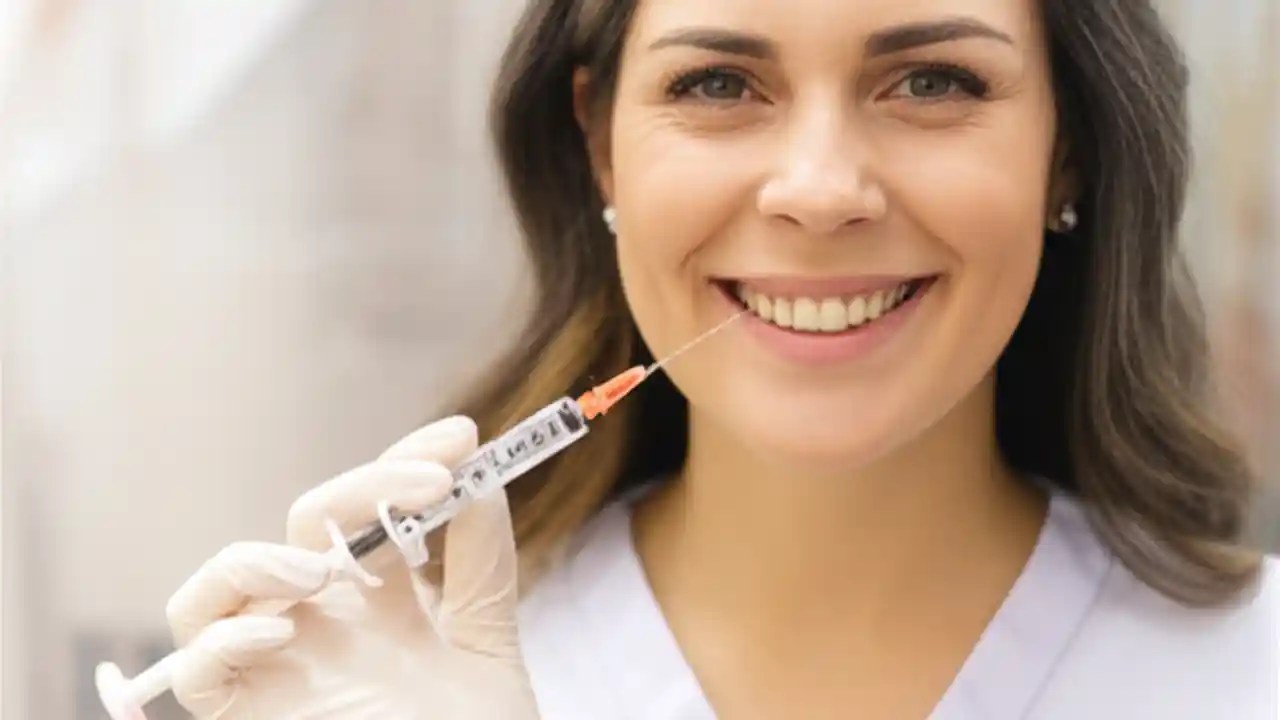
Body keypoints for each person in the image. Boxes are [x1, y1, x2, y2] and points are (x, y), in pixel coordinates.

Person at [160, 0, 1279, 717]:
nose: (820, 188)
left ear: (1066, 150)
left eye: (932, 80)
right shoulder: (401, 683)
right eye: (716, 85)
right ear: (600, 145)